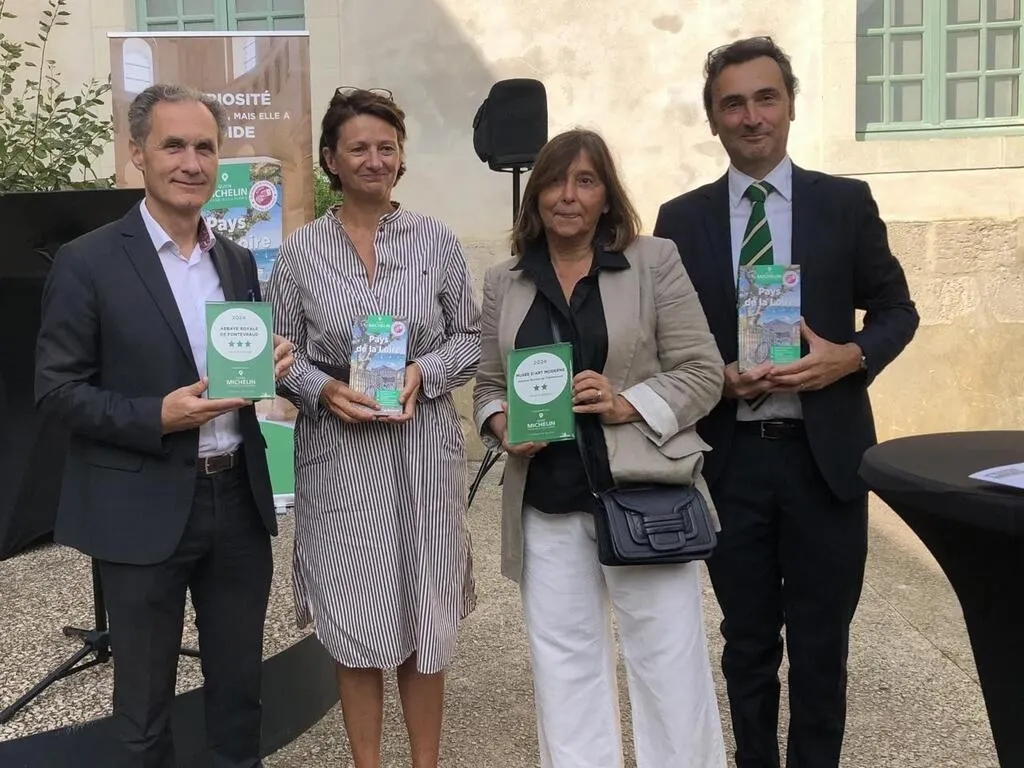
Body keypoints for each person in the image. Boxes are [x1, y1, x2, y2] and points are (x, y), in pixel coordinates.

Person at [653, 37, 920, 768]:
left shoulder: (845, 203)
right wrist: (716, 377)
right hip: (731, 462)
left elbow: (898, 311)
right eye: (731, 103)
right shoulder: (681, 220)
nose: (751, 116)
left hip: (826, 463)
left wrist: (851, 357)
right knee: (746, 644)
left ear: (791, 105)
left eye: (765, 98)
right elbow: (666, 342)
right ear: (713, 120)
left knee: (821, 646)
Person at [34, 83, 296, 768]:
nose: (191, 161)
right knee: (144, 710)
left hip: (236, 502)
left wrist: (271, 359)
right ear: (137, 157)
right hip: (140, 510)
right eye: (173, 145)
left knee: (240, 694)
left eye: (205, 147)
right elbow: (56, 392)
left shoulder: (235, 259)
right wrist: (158, 415)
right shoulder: (87, 262)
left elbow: (239, 369)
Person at [473, 128, 728, 768]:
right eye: (556, 182)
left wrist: (626, 402)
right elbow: (486, 386)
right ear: (535, 199)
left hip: (643, 496)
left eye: (586, 181)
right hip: (548, 504)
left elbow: (703, 371)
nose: (569, 195)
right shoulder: (505, 280)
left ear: (607, 197)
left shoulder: (652, 260)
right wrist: (503, 426)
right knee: (565, 670)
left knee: (668, 667)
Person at [265, 87, 480, 768]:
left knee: (423, 608)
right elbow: (277, 353)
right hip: (340, 452)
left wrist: (426, 370)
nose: (374, 159)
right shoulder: (300, 254)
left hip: (421, 446)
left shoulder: (435, 239)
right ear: (331, 157)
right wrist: (321, 389)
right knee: (354, 612)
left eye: (386, 147)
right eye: (358, 147)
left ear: (400, 157)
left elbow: (473, 337)